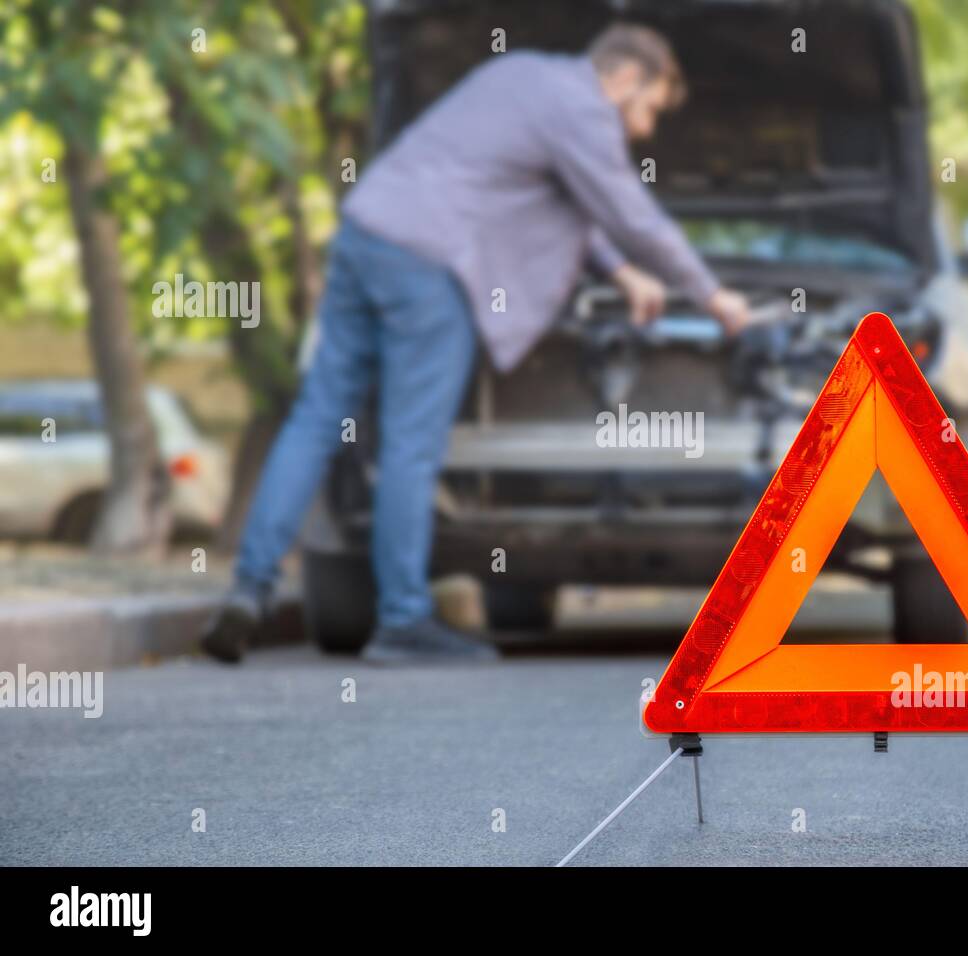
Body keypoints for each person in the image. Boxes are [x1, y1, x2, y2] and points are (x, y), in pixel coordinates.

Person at [201, 23, 752, 666]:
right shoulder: (581, 107)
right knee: (412, 443)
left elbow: (552, 196)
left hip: (365, 232)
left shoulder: (520, 75)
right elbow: (626, 210)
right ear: (625, 77)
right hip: (428, 266)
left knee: (317, 417)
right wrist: (711, 293)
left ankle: (249, 590)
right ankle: (403, 621)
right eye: (650, 107)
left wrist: (622, 273)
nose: (645, 131)